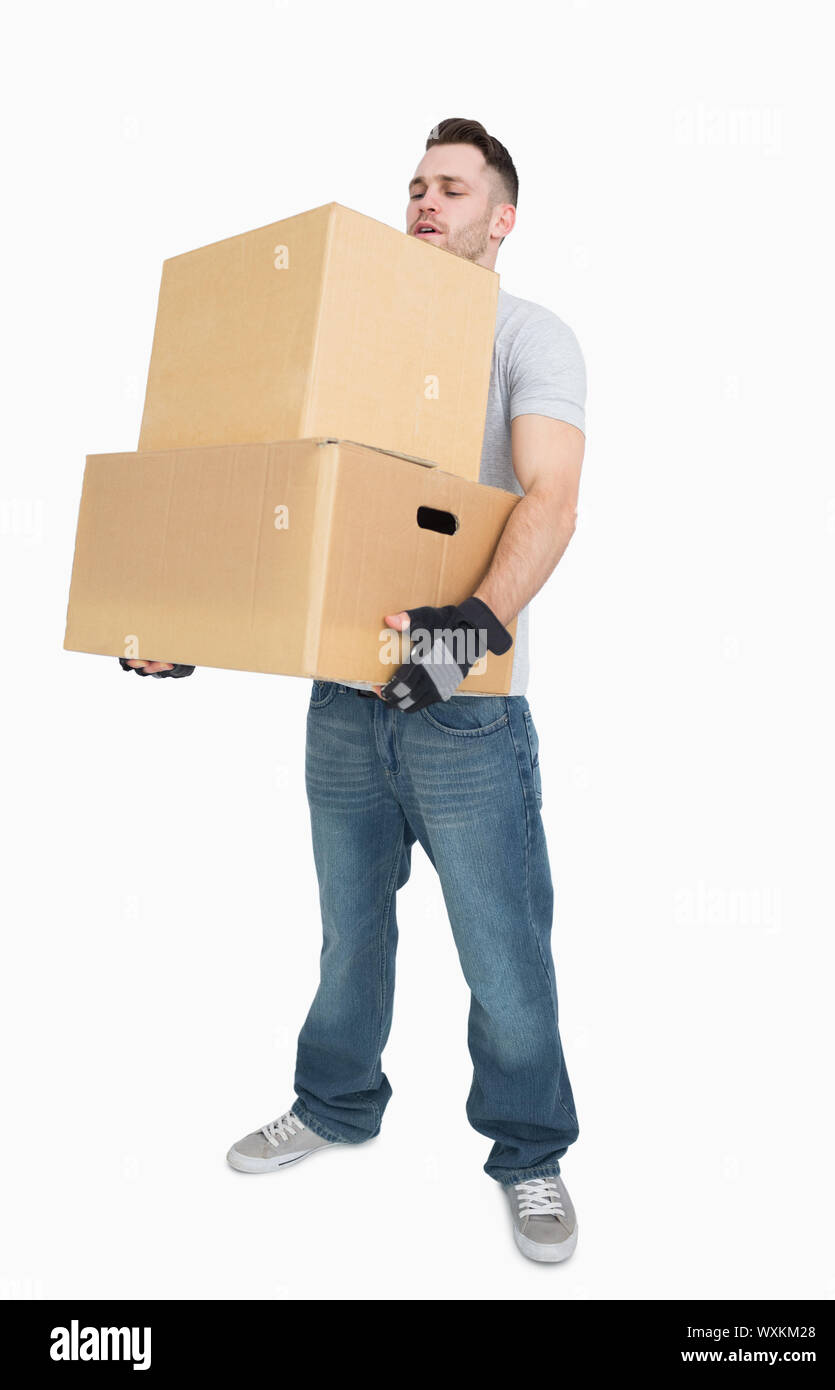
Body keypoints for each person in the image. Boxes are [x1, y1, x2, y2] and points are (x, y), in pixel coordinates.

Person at [126, 118, 588, 1265]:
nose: (426, 202)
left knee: (502, 949)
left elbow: (550, 496)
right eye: (416, 186)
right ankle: (335, 1103)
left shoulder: (529, 337)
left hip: (464, 707)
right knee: (348, 934)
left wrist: (466, 634)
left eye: (452, 187)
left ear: (502, 217)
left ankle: (529, 1152)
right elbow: (281, 504)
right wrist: (185, 628)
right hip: (342, 695)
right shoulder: (355, 348)